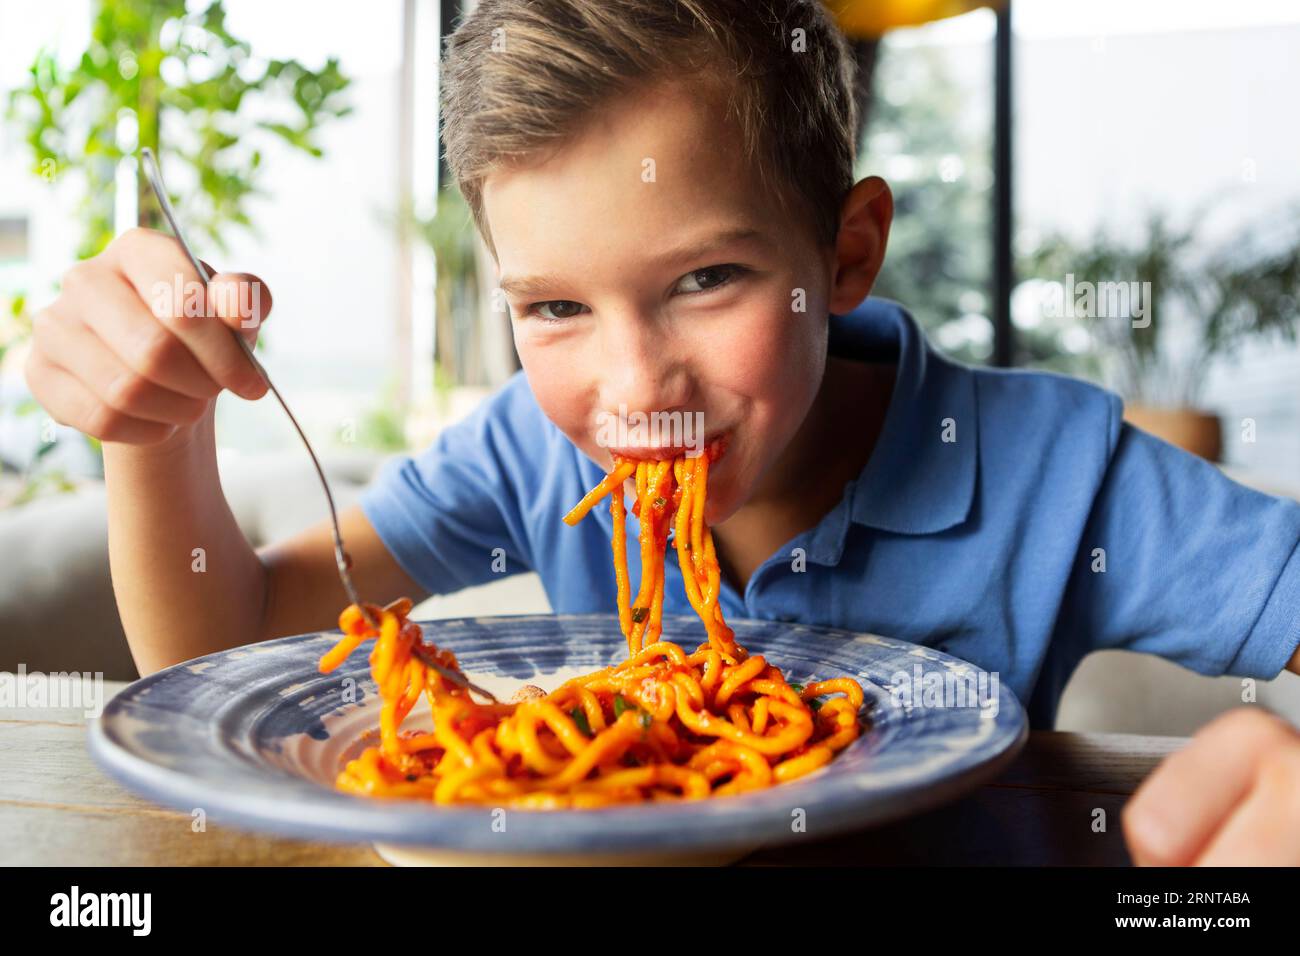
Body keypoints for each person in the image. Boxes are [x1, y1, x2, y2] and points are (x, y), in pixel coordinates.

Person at [24, 0, 1300, 864]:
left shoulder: (1047, 476)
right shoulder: (534, 445)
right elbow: (225, 636)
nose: (634, 384)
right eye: (557, 306)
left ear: (846, 249)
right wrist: (154, 427)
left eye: (706, 281)